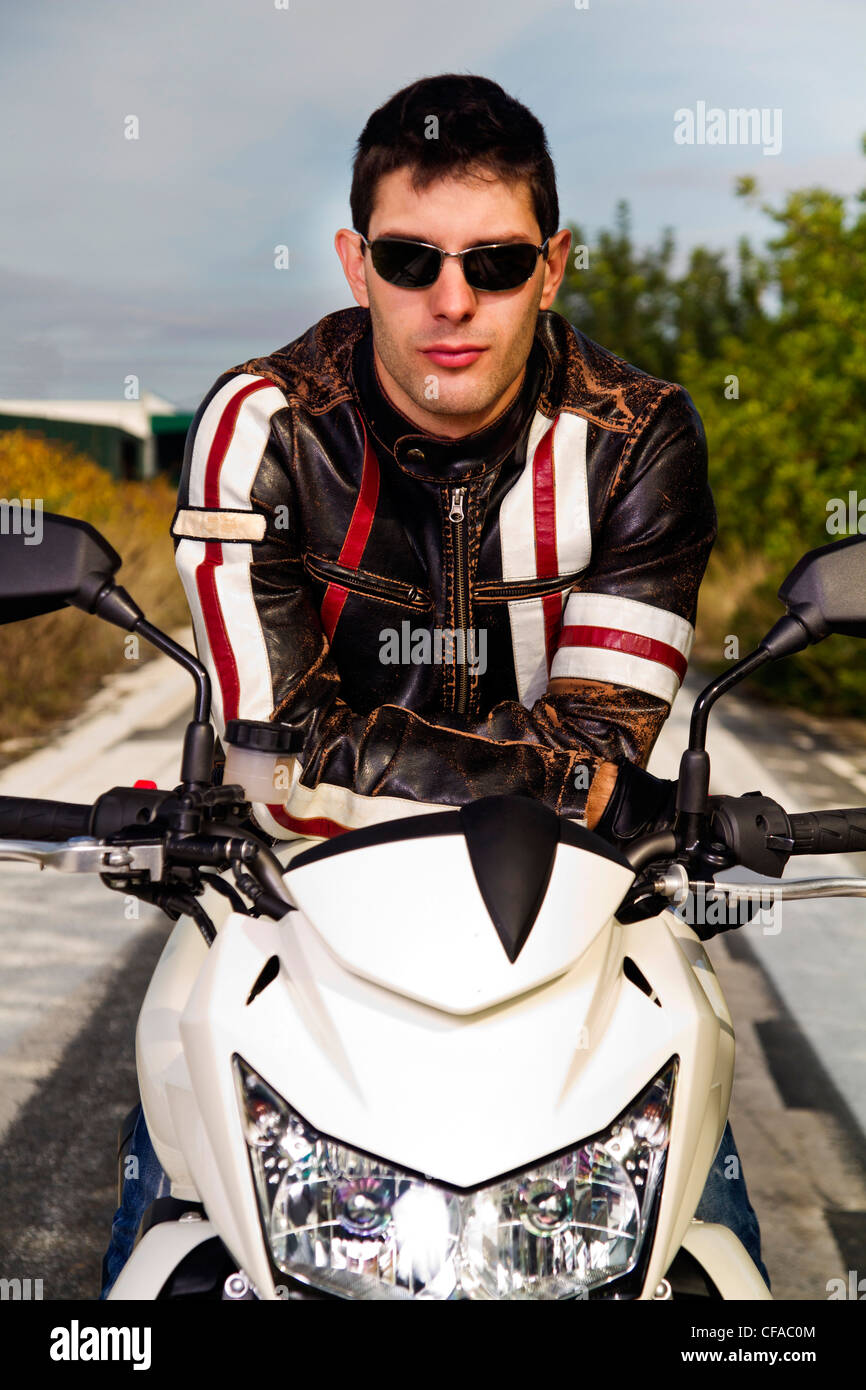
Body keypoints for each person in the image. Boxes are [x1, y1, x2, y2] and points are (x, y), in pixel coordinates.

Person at [100, 72, 768, 1296]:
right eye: (410, 259)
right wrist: (549, 777)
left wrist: (564, 779)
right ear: (356, 263)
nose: (450, 300)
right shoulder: (263, 423)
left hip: (580, 898)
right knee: (173, 1205)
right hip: (282, 894)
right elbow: (277, 748)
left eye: (496, 263)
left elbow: (605, 739)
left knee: (702, 1233)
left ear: (552, 266)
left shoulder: (639, 433)